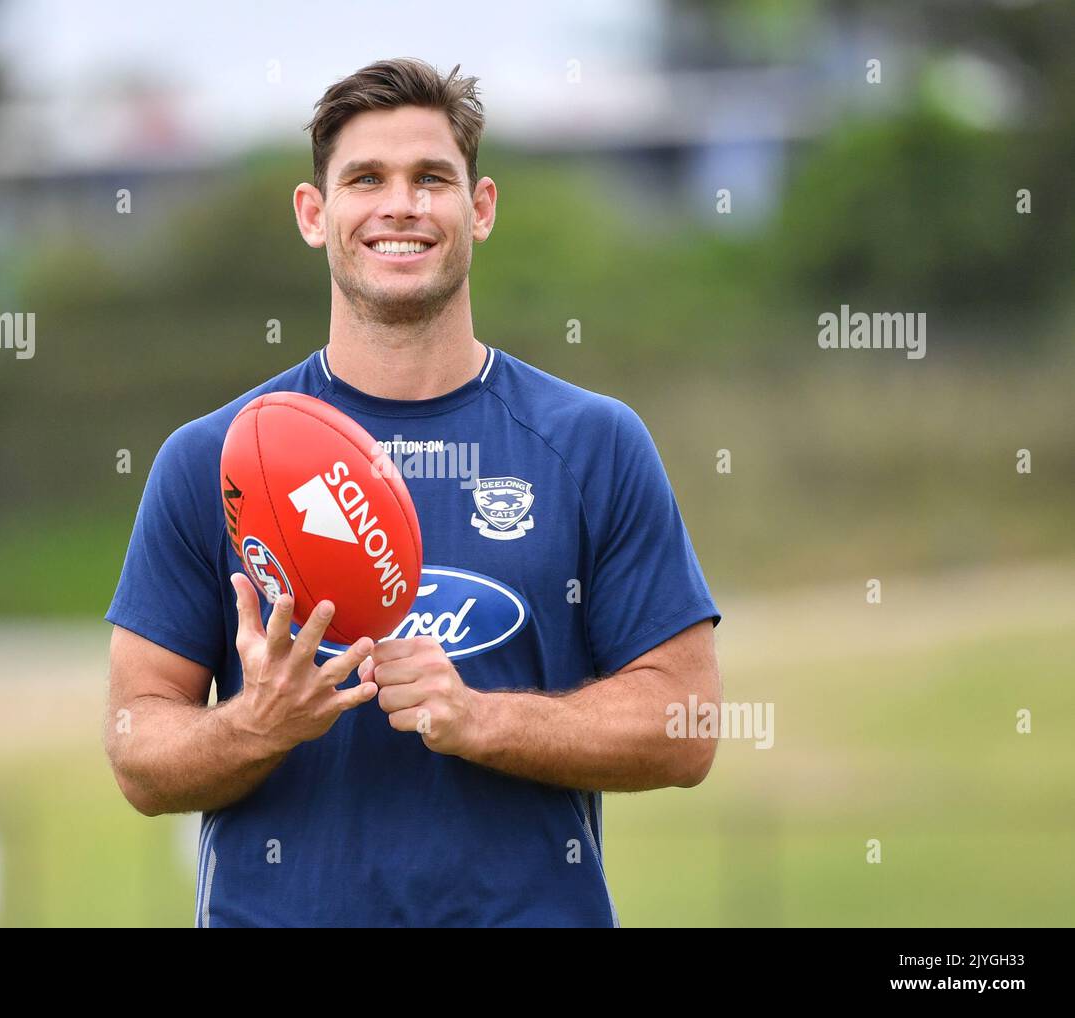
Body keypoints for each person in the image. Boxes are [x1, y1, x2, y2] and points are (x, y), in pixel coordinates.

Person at [104, 57, 722, 927]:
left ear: (481, 208)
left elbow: (685, 724)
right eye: (366, 179)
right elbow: (136, 749)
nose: (401, 205)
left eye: (432, 178)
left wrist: (482, 720)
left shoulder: (593, 443)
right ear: (314, 215)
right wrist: (258, 725)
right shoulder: (212, 459)